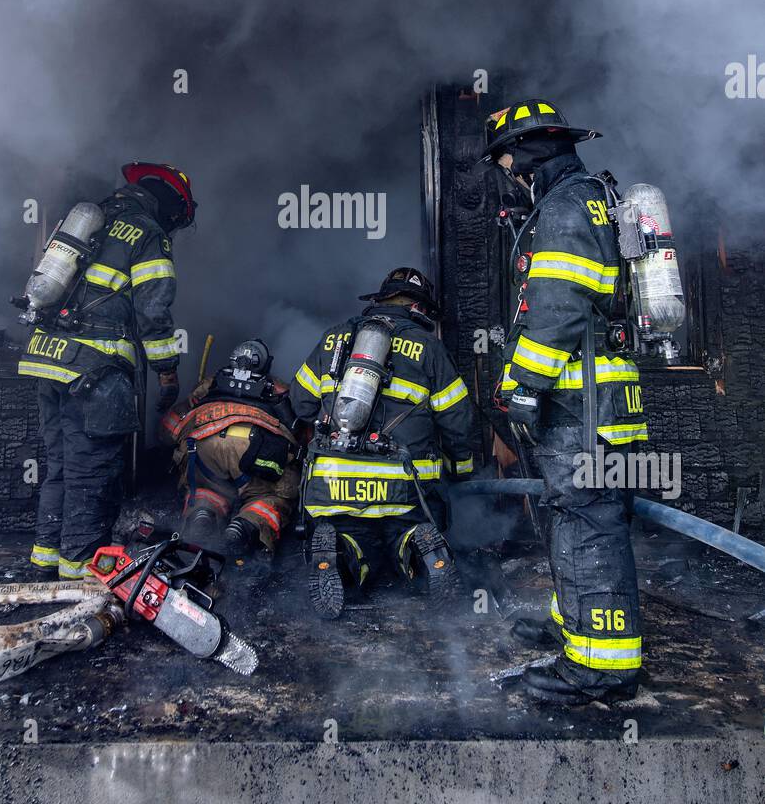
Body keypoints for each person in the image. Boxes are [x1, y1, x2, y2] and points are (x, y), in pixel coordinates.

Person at [483, 99, 645, 705]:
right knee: (576, 515)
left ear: (525, 152)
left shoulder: (565, 207)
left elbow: (555, 311)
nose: (507, 174)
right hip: (598, 400)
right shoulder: (593, 195)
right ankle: (575, 624)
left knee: (587, 521)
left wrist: (522, 386)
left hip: (582, 406)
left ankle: (602, 667)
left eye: (506, 160)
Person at [20, 162, 195, 579]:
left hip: (47, 357)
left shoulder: (88, 221)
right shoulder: (147, 234)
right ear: (169, 209)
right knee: (91, 472)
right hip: (93, 371)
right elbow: (153, 312)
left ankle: (46, 560)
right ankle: (81, 574)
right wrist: (167, 373)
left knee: (60, 465)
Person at [291, 267, 474, 618]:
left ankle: (337, 554)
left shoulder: (334, 338)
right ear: (419, 308)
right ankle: (422, 552)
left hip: (332, 486)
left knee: (353, 538)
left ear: (380, 301)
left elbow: (300, 404)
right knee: (401, 535)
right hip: (405, 487)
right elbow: (458, 420)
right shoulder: (429, 349)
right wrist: (461, 468)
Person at [162, 339, 300, 556]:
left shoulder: (210, 384)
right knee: (268, 495)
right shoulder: (279, 388)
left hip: (202, 443)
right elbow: (300, 430)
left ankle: (204, 512)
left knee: (209, 488)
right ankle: (245, 526)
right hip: (254, 448)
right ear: (266, 364)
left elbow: (169, 424)